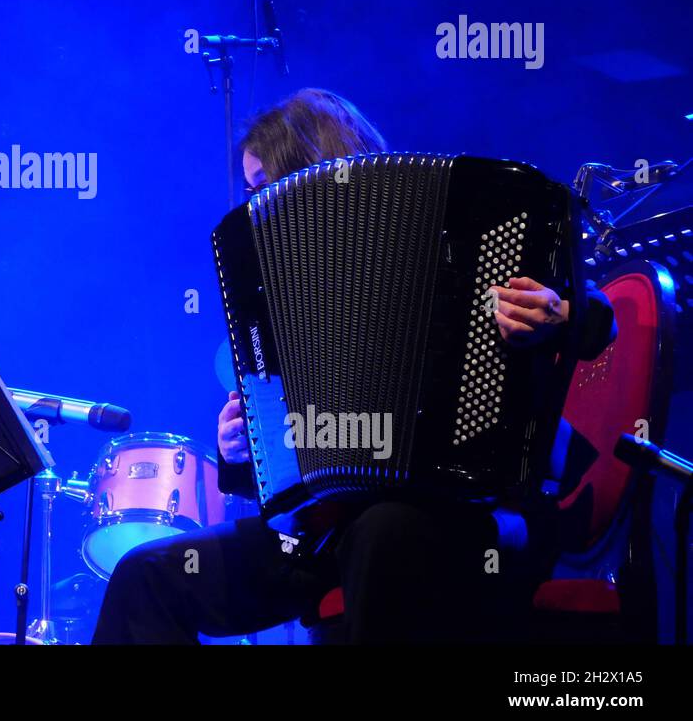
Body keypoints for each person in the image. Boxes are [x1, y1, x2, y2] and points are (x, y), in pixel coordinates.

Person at [92, 88, 615, 644]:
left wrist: (557, 313)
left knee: (385, 532)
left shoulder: (453, 220)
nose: (253, 208)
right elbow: (279, 469)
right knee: (145, 576)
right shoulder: (279, 289)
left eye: (263, 188)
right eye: (251, 192)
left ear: (310, 174)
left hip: (473, 513)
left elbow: (595, 312)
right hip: (324, 532)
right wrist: (240, 449)